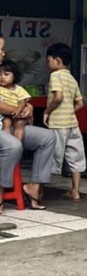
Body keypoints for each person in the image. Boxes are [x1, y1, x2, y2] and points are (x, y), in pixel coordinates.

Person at [0, 33, 56, 212]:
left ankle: (34, 187)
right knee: (13, 145)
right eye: (0, 49)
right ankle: (1, 191)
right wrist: (20, 110)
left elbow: (20, 97)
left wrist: (27, 107)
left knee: (47, 137)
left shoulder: (8, 78)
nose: (3, 53)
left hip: (9, 126)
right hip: (4, 127)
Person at [43, 42, 86, 201]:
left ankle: (39, 190)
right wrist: (69, 111)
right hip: (72, 124)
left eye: (48, 60)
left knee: (51, 157)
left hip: (58, 124)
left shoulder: (55, 76)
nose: (47, 64)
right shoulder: (72, 78)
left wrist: (47, 111)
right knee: (76, 157)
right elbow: (80, 103)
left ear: (57, 60)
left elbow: (58, 97)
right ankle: (75, 191)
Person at [0, 59, 30, 142]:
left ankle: (18, 143)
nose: (2, 77)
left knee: (19, 124)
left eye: (6, 74)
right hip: (5, 115)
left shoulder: (18, 89)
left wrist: (19, 109)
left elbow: (23, 101)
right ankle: (9, 143)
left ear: (15, 76)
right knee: (6, 123)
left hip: (17, 114)